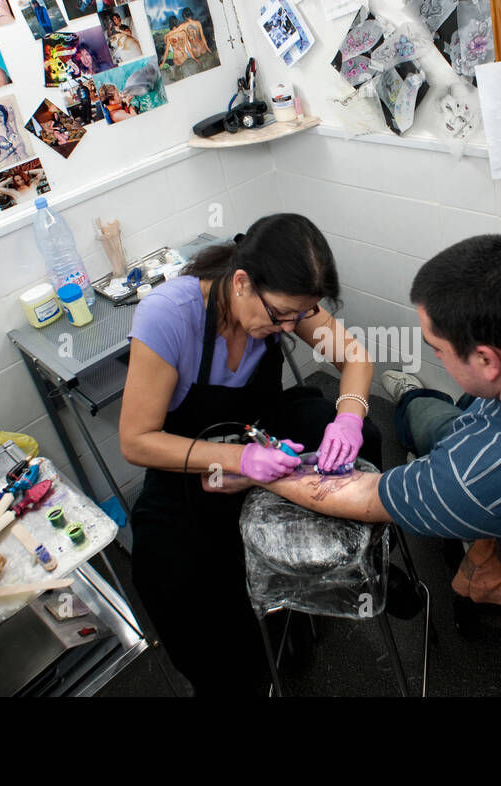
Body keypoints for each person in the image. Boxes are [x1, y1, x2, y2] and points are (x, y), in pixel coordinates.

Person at [209, 235, 501, 558]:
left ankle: (411, 399)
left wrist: (257, 474)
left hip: (499, 451)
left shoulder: (473, 477)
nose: (432, 352)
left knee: (421, 414)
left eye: (437, 349)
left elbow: (365, 494)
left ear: (488, 360)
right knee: (468, 409)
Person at [119, 214, 380, 696]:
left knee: (354, 431)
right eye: (281, 316)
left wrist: (350, 417)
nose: (288, 326)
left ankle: (325, 585)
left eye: (299, 316)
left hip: (261, 429)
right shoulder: (169, 315)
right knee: (171, 575)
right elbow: (137, 441)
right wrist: (239, 462)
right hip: (188, 458)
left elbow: (355, 358)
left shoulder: (286, 302)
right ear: (241, 283)